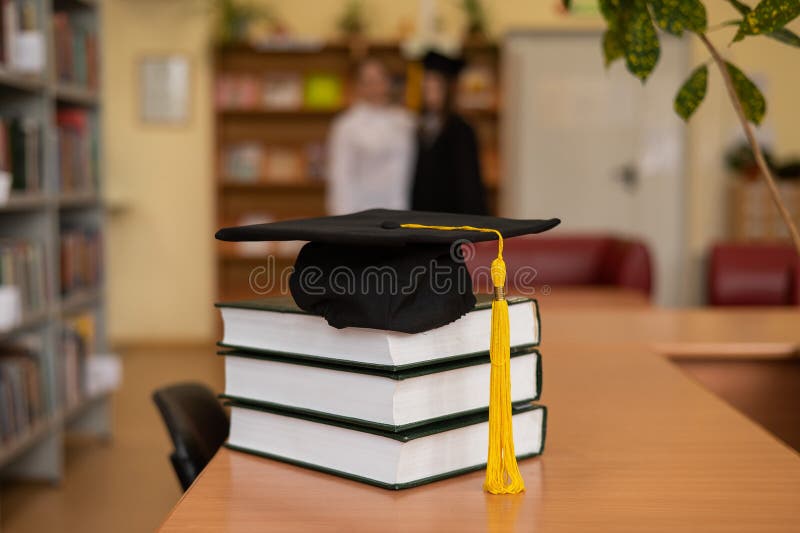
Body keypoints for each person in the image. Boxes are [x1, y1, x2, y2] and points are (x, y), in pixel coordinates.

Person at [326, 59, 415, 215]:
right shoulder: (347, 124)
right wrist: (343, 219)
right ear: (359, 86)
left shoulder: (405, 120)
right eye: (369, 81)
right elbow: (341, 176)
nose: (376, 86)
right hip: (364, 213)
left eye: (380, 79)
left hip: (403, 210)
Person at [411, 51, 488, 215]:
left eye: (435, 87)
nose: (429, 92)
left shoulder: (461, 130)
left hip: (452, 218)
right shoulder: (417, 127)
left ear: (447, 89)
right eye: (426, 86)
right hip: (419, 218)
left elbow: (470, 185)